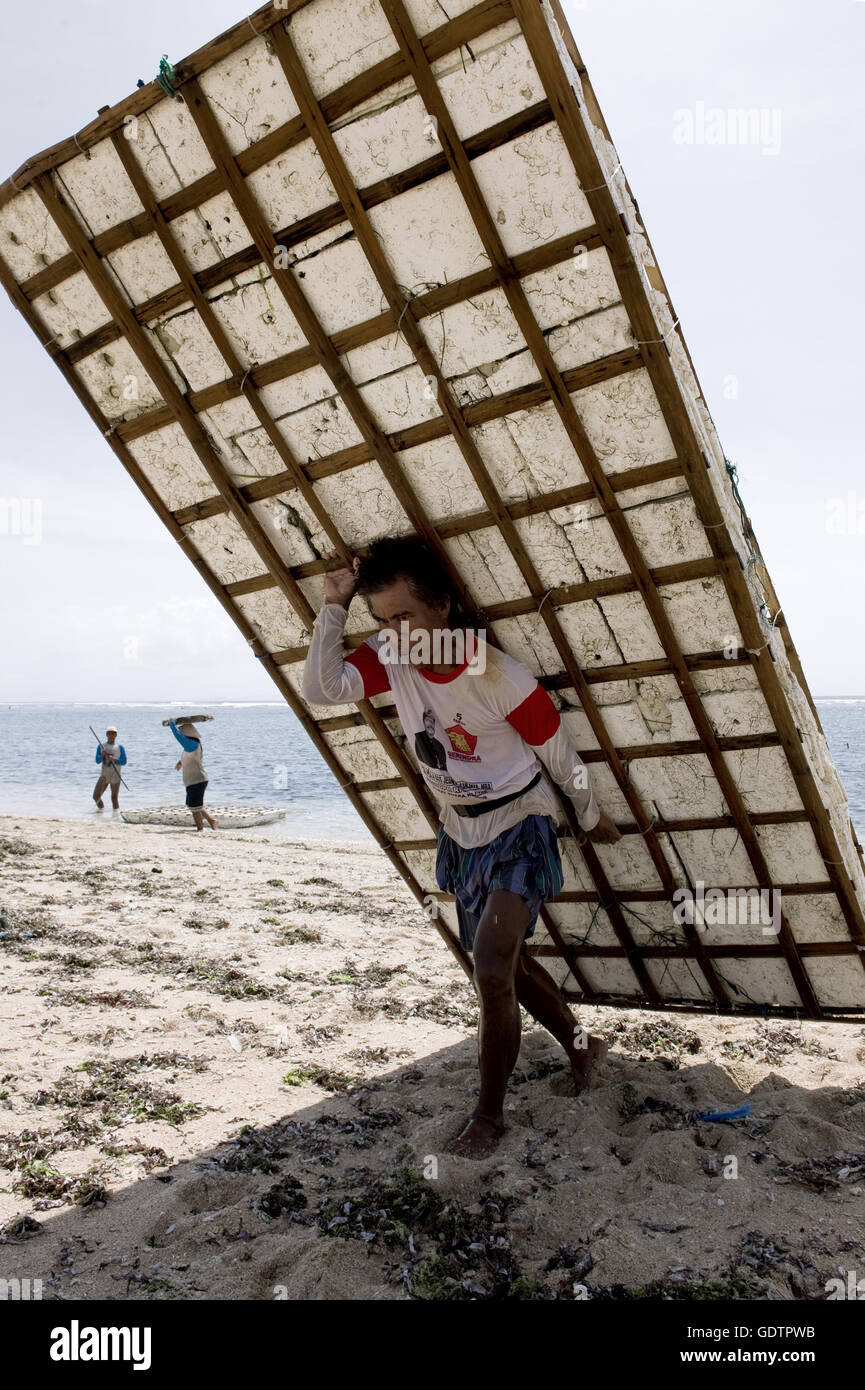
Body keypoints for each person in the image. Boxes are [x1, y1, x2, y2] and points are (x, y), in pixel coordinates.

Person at [302, 537, 623, 1160]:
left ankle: (490, 1115)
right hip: (461, 832)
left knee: (491, 966)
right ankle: (584, 1046)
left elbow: (560, 756)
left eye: (405, 615)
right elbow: (324, 686)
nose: (395, 631)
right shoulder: (390, 656)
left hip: (521, 824)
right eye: (383, 619)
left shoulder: (498, 675)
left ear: (442, 607)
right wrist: (335, 605)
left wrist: (588, 816)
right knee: (505, 967)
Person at [168, 719, 219, 831]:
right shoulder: (191, 745)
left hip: (197, 780)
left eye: (183, 733)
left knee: (195, 807)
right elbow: (191, 757)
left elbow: (178, 737)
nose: (182, 735)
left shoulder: (193, 743)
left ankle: (200, 829)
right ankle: (211, 821)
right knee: (193, 805)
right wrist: (180, 762)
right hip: (193, 780)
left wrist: (172, 724)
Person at [93, 726, 127, 811]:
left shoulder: (120, 747)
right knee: (96, 796)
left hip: (116, 775)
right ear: (106, 734)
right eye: (109, 733)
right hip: (104, 775)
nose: (111, 735)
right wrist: (102, 755)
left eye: (113, 733)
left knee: (114, 798)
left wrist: (114, 760)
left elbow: (124, 761)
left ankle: (116, 817)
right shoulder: (101, 746)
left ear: (116, 735)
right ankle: (101, 811)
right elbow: (97, 761)